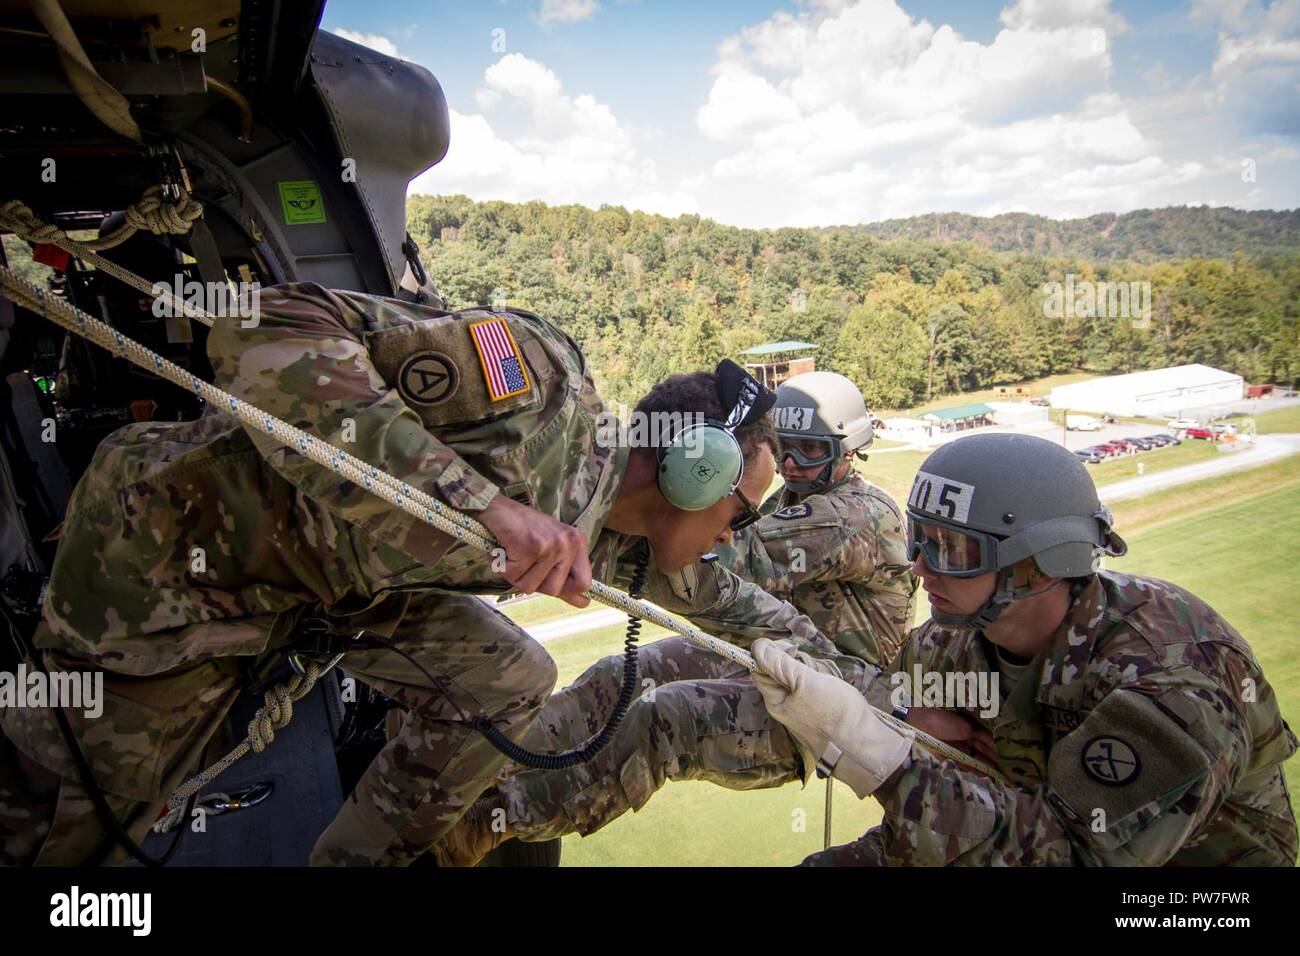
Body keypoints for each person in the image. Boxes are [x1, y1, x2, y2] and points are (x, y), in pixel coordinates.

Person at [0, 282, 858, 866]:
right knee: (70, 835)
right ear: (691, 473)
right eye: (738, 512)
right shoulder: (534, 386)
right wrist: (481, 505)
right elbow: (266, 322)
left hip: (312, 596)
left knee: (511, 672)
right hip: (160, 561)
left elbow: (738, 609)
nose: (733, 537)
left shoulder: (618, 541)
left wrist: (866, 706)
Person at [432, 371, 917, 865]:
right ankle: (483, 768)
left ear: (848, 450)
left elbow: (739, 560)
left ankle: (487, 822)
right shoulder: (790, 500)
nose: (790, 465)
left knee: (667, 720)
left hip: (842, 697)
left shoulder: (852, 515)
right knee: (623, 676)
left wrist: (655, 511)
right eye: (785, 448)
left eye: (809, 452)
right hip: (772, 659)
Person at [752, 432, 1298, 866]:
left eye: (953, 549)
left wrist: (876, 756)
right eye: (920, 540)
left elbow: (1071, 852)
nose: (919, 566)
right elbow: (899, 702)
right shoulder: (948, 643)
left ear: (1039, 565)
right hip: (1011, 831)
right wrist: (866, 705)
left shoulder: (1177, 674)